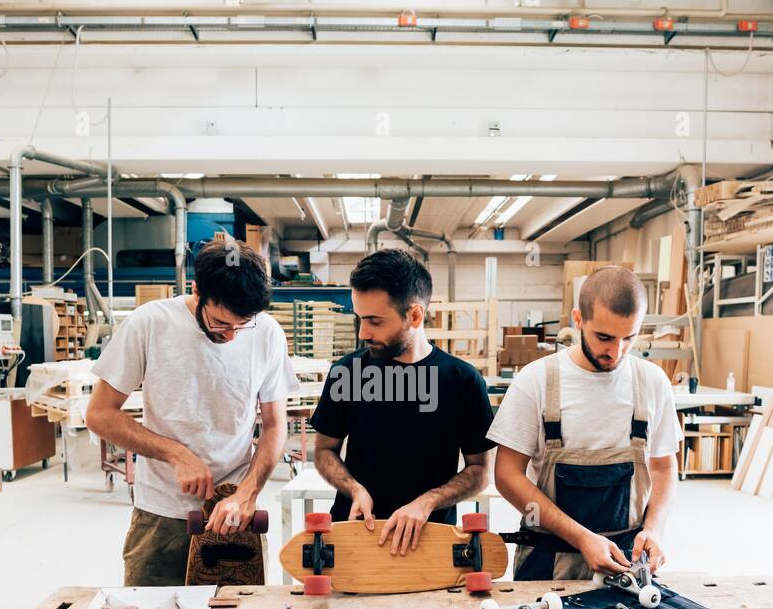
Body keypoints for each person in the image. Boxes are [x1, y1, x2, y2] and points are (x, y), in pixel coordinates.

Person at [86, 238, 299, 587]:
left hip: (234, 513)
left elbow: (275, 427)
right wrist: (175, 453)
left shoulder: (268, 334)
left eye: (240, 325)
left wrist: (248, 492)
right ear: (196, 291)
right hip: (162, 516)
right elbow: (99, 414)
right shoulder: (150, 324)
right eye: (220, 324)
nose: (231, 337)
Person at [489, 264, 680, 579]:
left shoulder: (652, 382)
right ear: (578, 319)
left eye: (628, 338)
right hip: (548, 560)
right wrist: (581, 538)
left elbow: (663, 466)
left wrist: (655, 529)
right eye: (604, 337)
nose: (615, 352)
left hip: (626, 562)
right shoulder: (536, 381)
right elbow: (507, 476)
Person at [311, 249, 495, 555]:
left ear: (414, 315)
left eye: (374, 321)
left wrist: (427, 502)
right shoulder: (346, 373)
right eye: (360, 319)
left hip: (431, 540)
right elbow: (323, 450)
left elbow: (480, 470)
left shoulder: (462, 381)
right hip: (356, 535)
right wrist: (354, 488)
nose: (363, 333)